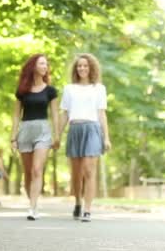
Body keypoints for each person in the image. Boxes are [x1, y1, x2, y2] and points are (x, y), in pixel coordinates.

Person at [59, 53, 111, 223]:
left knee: (89, 170)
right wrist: (57, 136)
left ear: (91, 68)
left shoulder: (99, 88)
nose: (82, 68)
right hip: (75, 129)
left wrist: (106, 137)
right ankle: (77, 202)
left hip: (92, 129)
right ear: (76, 69)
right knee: (76, 173)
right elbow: (65, 114)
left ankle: (88, 210)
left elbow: (102, 113)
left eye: (85, 66)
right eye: (79, 66)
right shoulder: (69, 89)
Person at [9, 54, 60, 220]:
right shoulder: (22, 91)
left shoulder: (50, 91)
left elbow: (55, 115)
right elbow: (16, 115)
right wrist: (13, 137)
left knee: (37, 169)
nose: (45, 66)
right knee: (28, 172)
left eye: (46, 64)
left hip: (43, 131)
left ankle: (33, 207)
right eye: (42, 63)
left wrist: (57, 135)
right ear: (34, 67)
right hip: (25, 131)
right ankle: (32, 201)